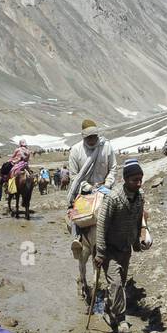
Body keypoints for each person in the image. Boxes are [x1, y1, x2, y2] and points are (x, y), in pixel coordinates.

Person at [93, 159, 146, 333]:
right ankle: (122, 320)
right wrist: (100, 252)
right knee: (115, 283)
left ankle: (108, 309)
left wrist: (137, 242)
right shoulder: (113, 198)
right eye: (134, 180)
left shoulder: (140, 197)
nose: (138, 183)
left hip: (126, 249)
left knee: (120, 283)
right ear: (125, 180)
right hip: (110, 250)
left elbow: (138, 220)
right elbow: (101, 225)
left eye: (140, 179)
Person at [66, 119, 117, 289]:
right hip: (85, 192)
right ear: (83, 137)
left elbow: (113, 168)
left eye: (94, 136)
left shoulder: (106, 147)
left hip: (104, 189)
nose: (92, 140)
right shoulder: (76, 151)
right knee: (75, 214)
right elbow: (74, 177)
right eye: (89, 138)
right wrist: (87, 187)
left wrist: (107, 184)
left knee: (120, 210)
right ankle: (77, 239)